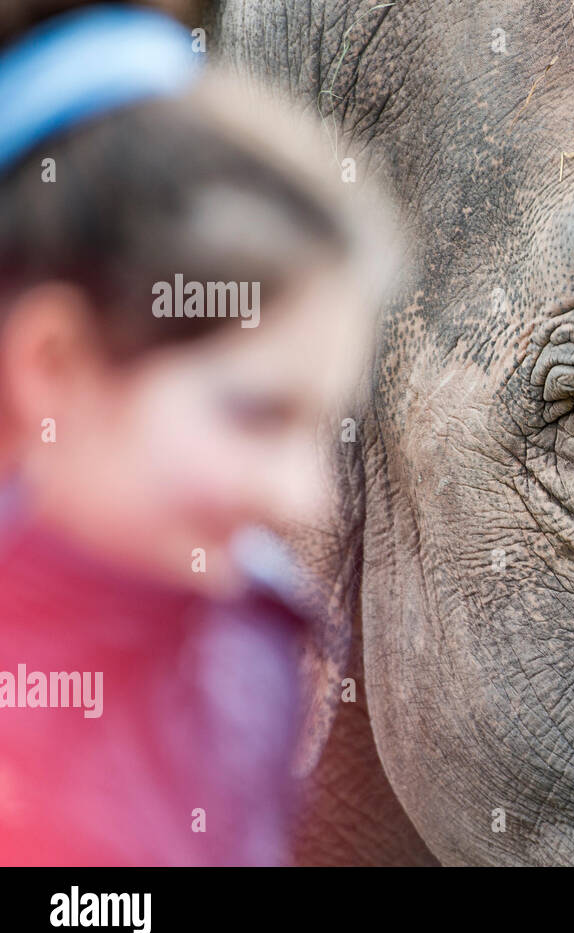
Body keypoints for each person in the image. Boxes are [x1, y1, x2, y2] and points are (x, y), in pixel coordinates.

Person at [0, 2, 390, 864]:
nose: (306, 499)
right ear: (53, 366)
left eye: (323, 428)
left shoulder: (247, 661)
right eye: (254, 415)